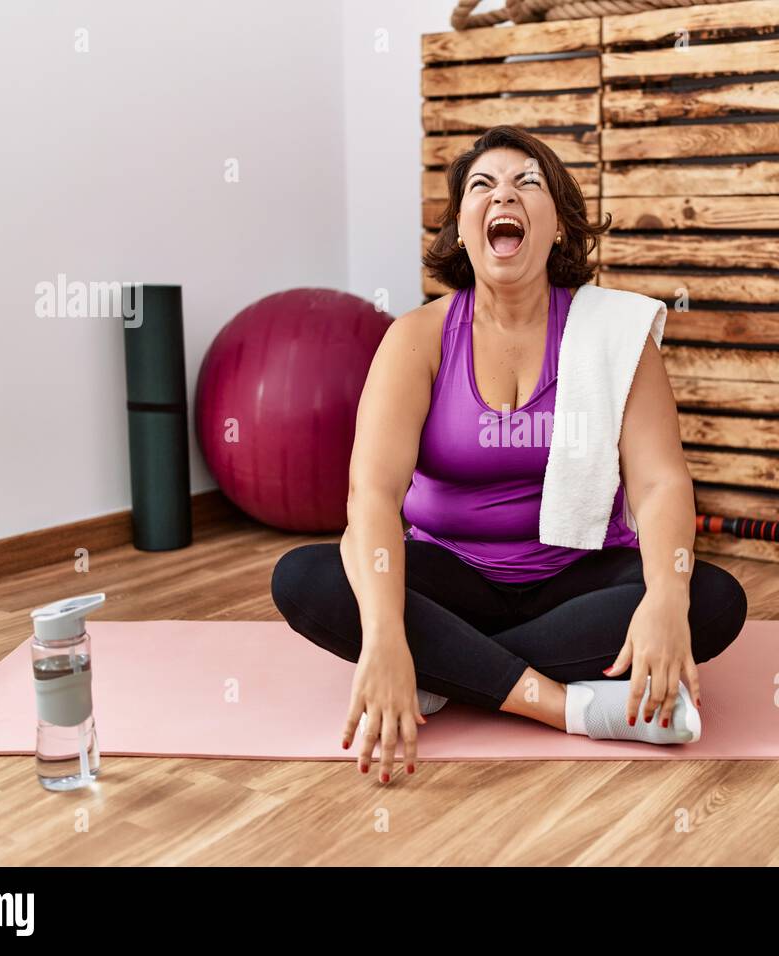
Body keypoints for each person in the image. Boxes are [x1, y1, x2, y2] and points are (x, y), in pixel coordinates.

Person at [271, 125, 747, 785]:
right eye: (482, 186)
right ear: (461, 229)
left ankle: (447, 670)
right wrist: (382, 634)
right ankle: (569, 707)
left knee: (711, 600)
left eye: (528, 183)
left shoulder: (613, 333)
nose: (506, 196)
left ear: (557, 225)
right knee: (305, 579)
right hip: (448, 577)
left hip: (578, 579)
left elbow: (662, 484)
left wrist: (665, 598)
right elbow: (372, 497)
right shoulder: (417, 338)